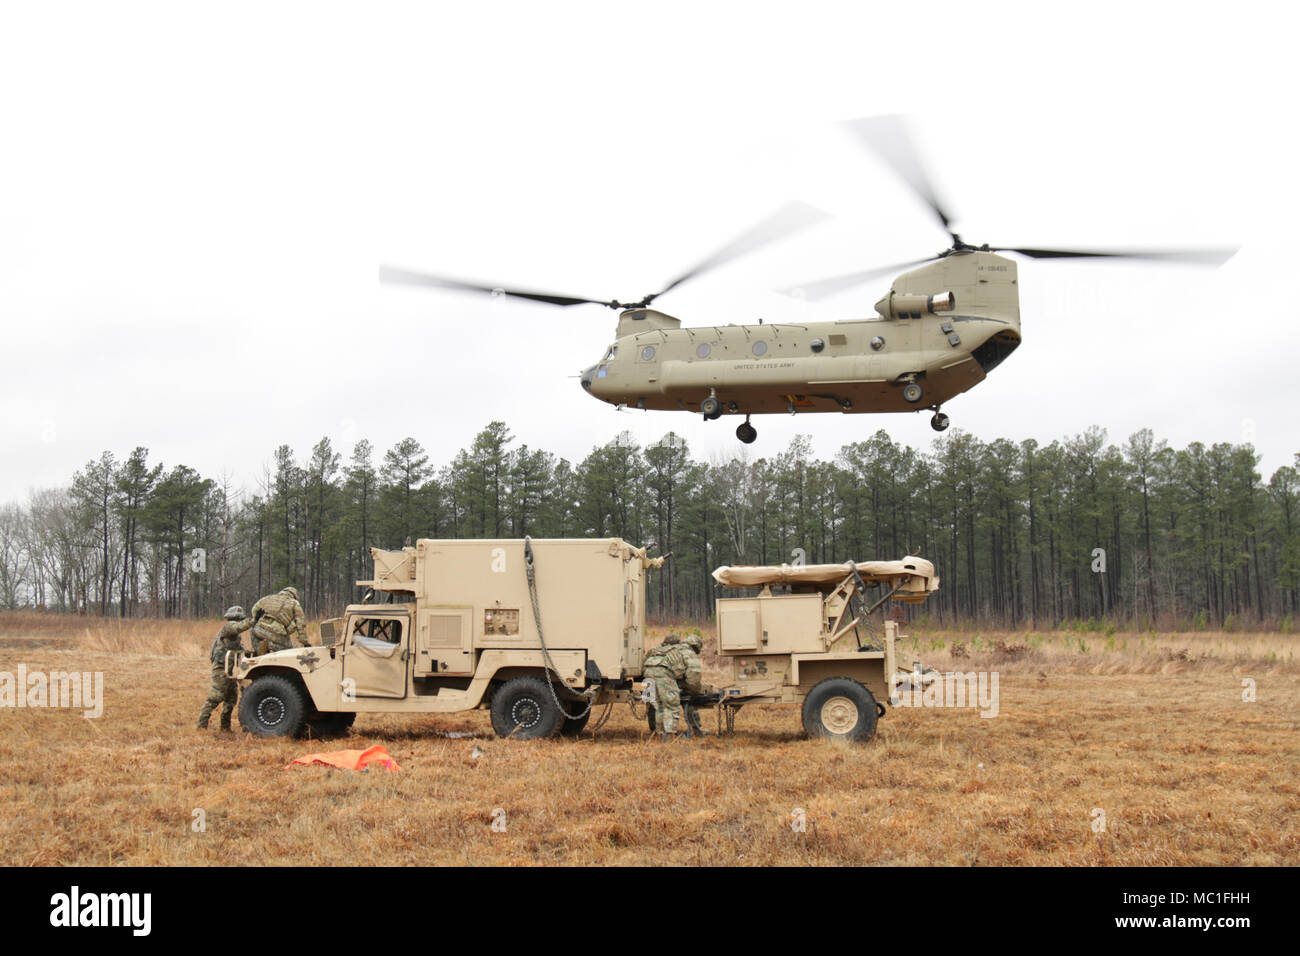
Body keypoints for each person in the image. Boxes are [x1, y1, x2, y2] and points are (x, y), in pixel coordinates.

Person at [197, 606, 255, 731]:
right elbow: (239, 627)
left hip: (230, 669)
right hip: (221, 668)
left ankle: (225, 727)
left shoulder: (235, 634)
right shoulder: (229, 627)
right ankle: (201, 726)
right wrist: (254, 619)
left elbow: (239, 649)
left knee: (231, 699)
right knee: (215, 697)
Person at [643, 632, 704, 739]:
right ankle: (670, 736)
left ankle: (659, 734)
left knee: (659, 706)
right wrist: (694, 691)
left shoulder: (661, 649)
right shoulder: (687, 652)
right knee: (672, 705)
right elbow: (694, 676)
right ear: (696, 647)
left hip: (648, 672)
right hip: (663, 673)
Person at [249, 586, 308, 654]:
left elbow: (254, 609)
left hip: (259, 629)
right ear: (294, 596)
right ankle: (270, 646)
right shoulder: (294, 603)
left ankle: (259, 652)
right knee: (289, 651)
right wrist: (304, 642)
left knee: (252, 630)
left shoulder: (268, 598)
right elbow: (300, 624)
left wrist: (258, 620)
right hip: (277, 632)